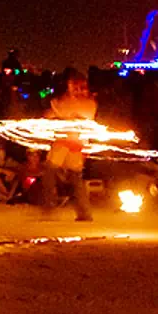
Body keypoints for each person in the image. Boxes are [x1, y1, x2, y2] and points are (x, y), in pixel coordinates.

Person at [41, 74, 96, 221]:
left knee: (50, 171)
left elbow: (51, 113)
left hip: (64, 141)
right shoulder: (90, 103)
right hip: (76, 142)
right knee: (74, 176)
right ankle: (84, 212)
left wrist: (54, 114)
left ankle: (48, 206)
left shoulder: (68, 102)